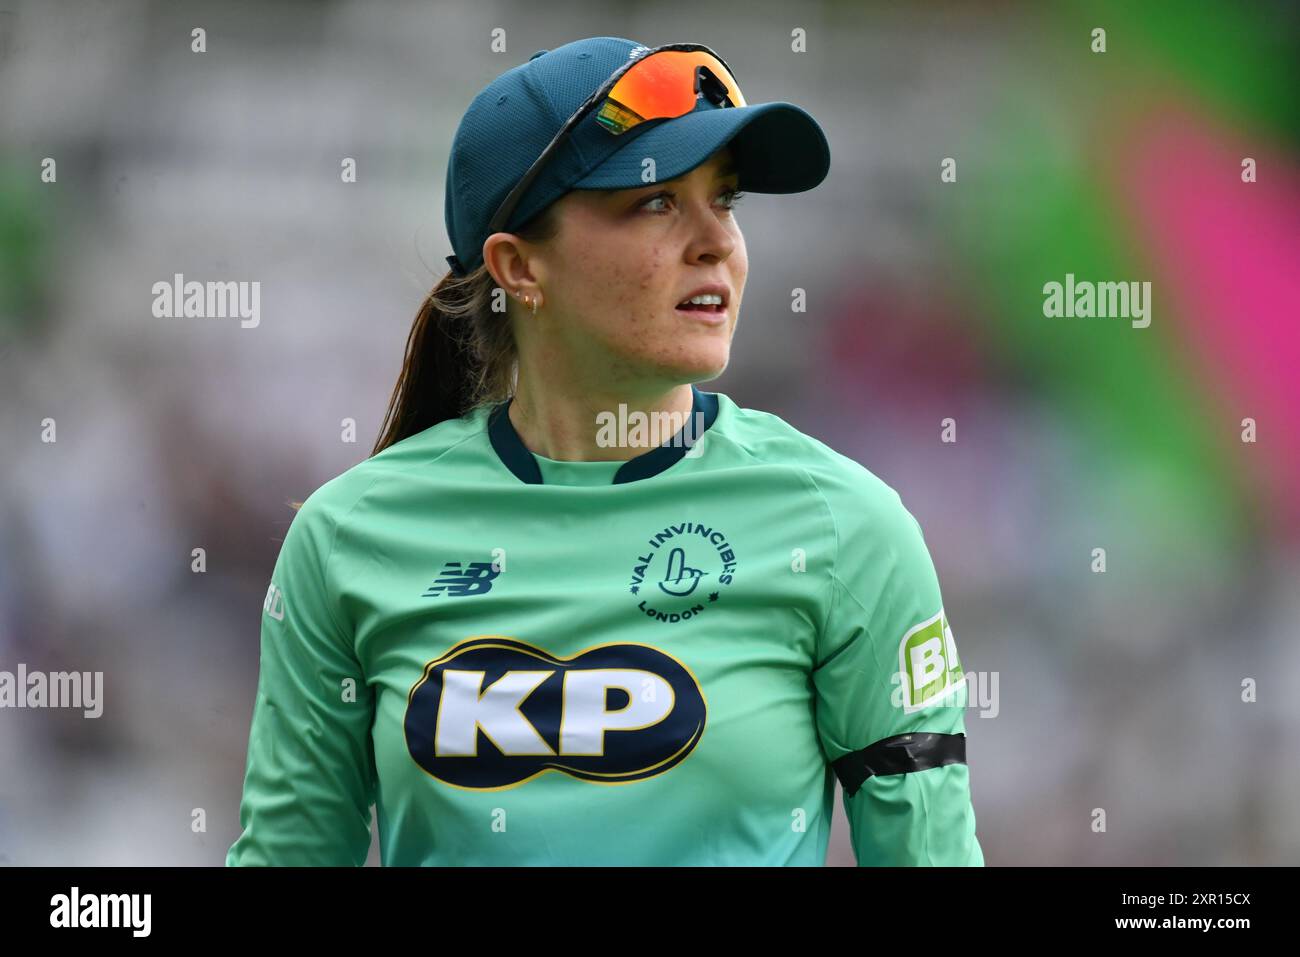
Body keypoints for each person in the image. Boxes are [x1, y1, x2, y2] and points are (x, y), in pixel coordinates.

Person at [227, 36, 984, 866]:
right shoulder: (346, 538)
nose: (717, 244)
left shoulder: (849, 532)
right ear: (518, 266)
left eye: (724, 201)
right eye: (656, 201)